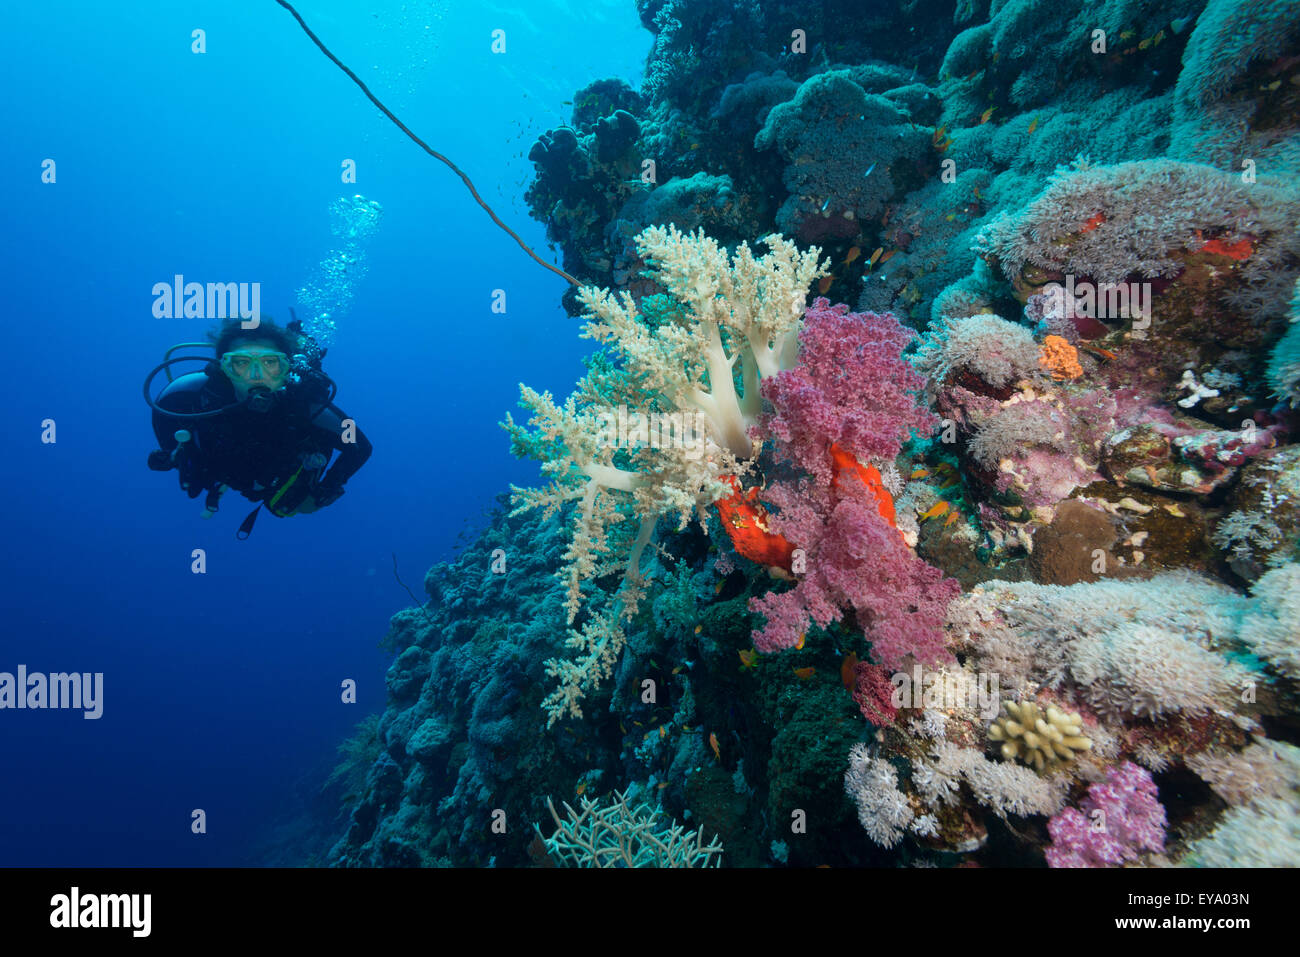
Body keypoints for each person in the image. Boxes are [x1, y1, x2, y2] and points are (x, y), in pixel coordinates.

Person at [146, 317, 371, 533]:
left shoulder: (304, 403)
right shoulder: (194, 391)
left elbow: (358, 444)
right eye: (241, 363)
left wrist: (327, 488)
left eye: (270, 363)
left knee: (303, 507)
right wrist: (173, 451)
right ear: (223, 367)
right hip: (223, 465)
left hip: (281, 473)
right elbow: (163, 410)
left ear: (286, 368)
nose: (256, 376)